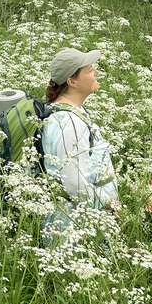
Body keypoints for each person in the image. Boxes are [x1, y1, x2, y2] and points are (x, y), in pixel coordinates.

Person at [39, 47, 119, 240]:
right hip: (76, 229)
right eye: (90, 70)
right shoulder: (68, 123)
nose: (95, 73)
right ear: (72, 81)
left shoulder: (72, 113)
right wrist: (109, 205)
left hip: (85, 222)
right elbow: (73, 184)